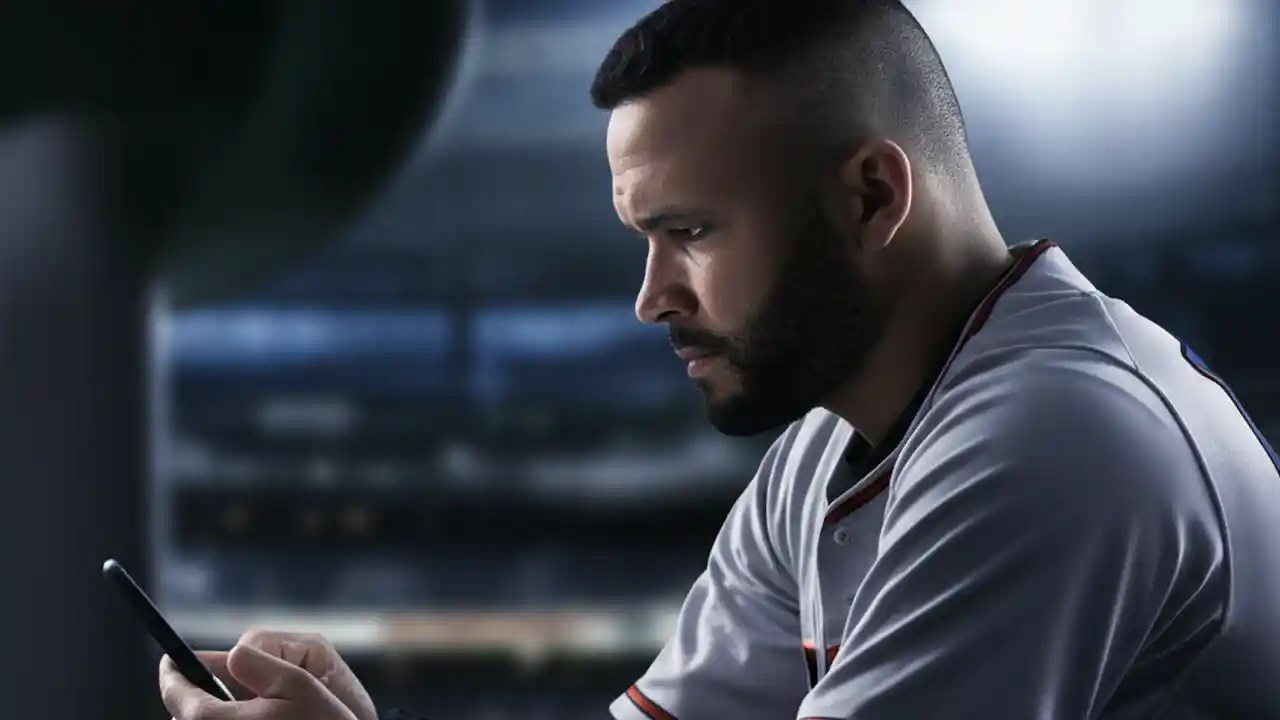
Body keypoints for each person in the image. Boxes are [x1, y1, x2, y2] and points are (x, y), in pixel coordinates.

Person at [160, 1, 1280, 718]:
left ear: (871, 195)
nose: (650, 299)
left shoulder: (1051, 439)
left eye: (690, 233)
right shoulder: (822, 447)